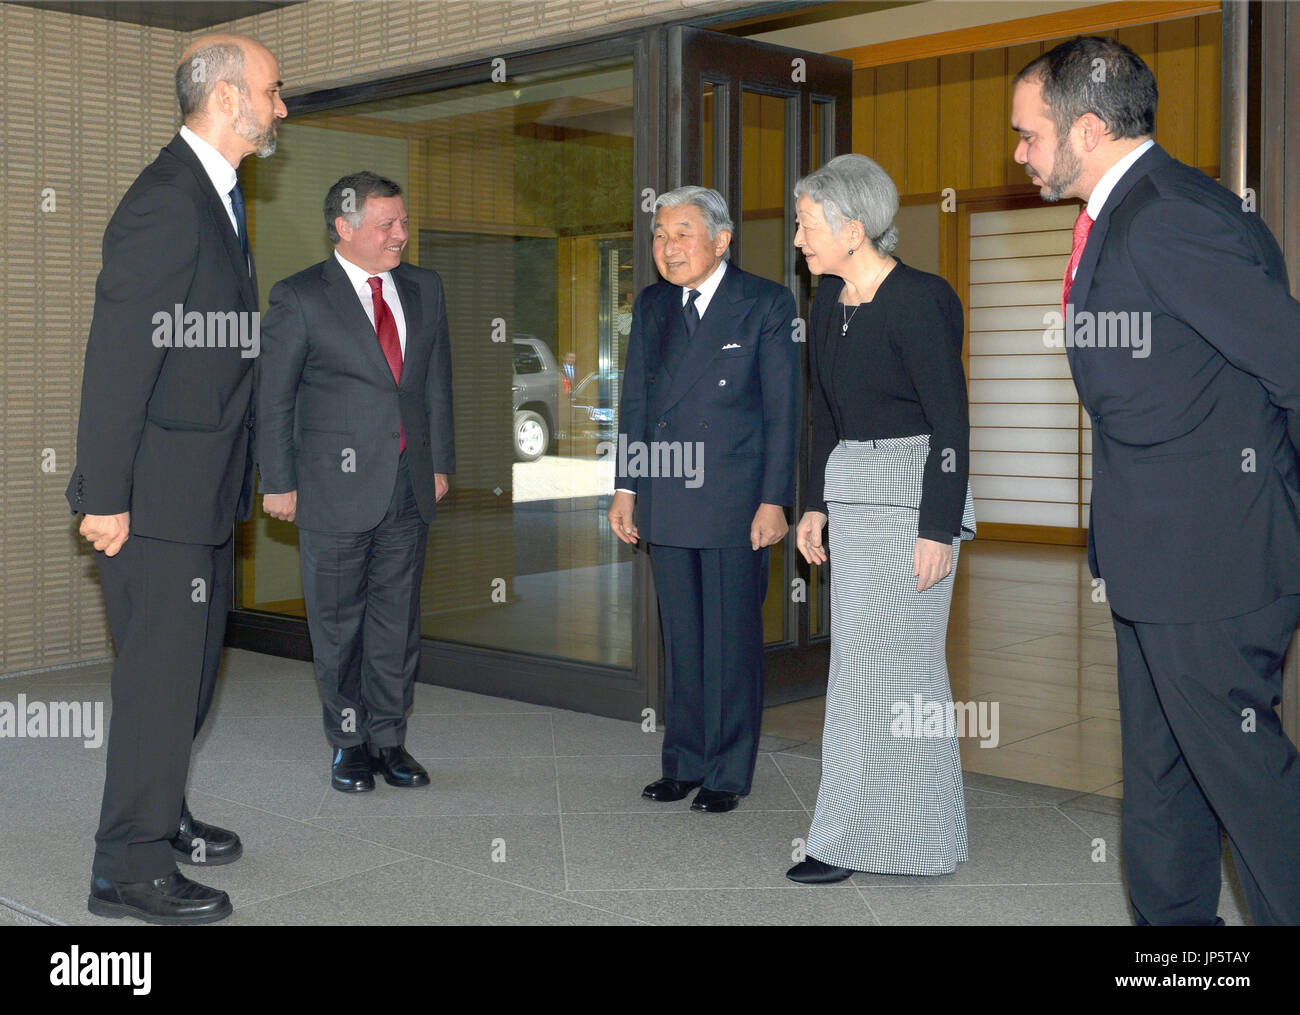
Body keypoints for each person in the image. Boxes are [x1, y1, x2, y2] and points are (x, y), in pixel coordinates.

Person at [1012, 35, 1300, 925]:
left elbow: (1289, 364)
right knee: (1163, 784)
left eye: (1028, 134)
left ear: (1087, 128)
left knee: (1249, 788)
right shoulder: (1131, 210)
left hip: (1214, 564)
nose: (1017, 152)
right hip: (1154, 562)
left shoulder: (1172, 215)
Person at [67, 34, 286, 924]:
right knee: (161, 684)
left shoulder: (220, 197)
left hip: (203, 493)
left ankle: (164, 810)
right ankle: (128, 867)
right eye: (273, 93)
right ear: (228, 97)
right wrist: (106, 496)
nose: (281, 108)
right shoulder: (167, 201)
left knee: (190, 677)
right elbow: (120, 360)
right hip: (152, 502)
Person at [786, 154, 975, 883]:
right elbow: (824, 416)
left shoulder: (922, 299)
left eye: (806, 225)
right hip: (854, 494)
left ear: (853, 228)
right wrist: (812, 503)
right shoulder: (826, 302)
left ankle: (850, 837)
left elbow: (951, 423)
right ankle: (921, 836)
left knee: (893, 675)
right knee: (874, 673)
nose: (800, 240)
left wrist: (938, 526)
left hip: (914, 495)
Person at [256, 172, 455, 796]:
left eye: (402, 222)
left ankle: (390, 741)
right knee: (339, 626)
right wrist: (278, 481)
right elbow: (274, 399)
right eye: (385, 226)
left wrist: (440, 462)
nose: (400, 235)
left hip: (407, 483)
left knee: (397, 623)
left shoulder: (424, 287)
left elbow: (436, 383)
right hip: (330, 488)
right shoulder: (299, 297)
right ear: (343, 229)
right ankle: (348, 744)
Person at [608, 186, 799, 813]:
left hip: (733, 501)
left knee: (730, 641)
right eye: (660, 235)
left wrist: (775, 500)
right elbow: (635, 400)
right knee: (683, 639)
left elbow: (783, 412)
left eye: (682, 233)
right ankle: (683, 760)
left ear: (721, 240)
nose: (668, 247)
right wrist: (626, 486)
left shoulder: (765, 302)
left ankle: (726, 769)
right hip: (664, 493)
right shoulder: (654, 303)